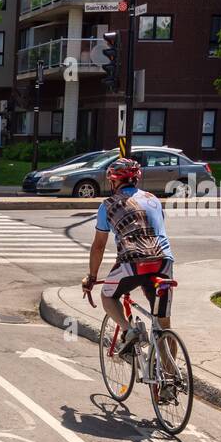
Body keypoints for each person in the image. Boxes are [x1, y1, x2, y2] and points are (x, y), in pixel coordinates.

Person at [82, 157, 176, 372]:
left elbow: (99, 245)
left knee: (107, 295)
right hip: (163, 262)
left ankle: (129, 330)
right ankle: (170, 380)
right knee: (163, 324)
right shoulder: (154, 199)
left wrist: (92, 276)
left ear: (113, 182)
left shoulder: (107, 206)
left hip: (133, 263)